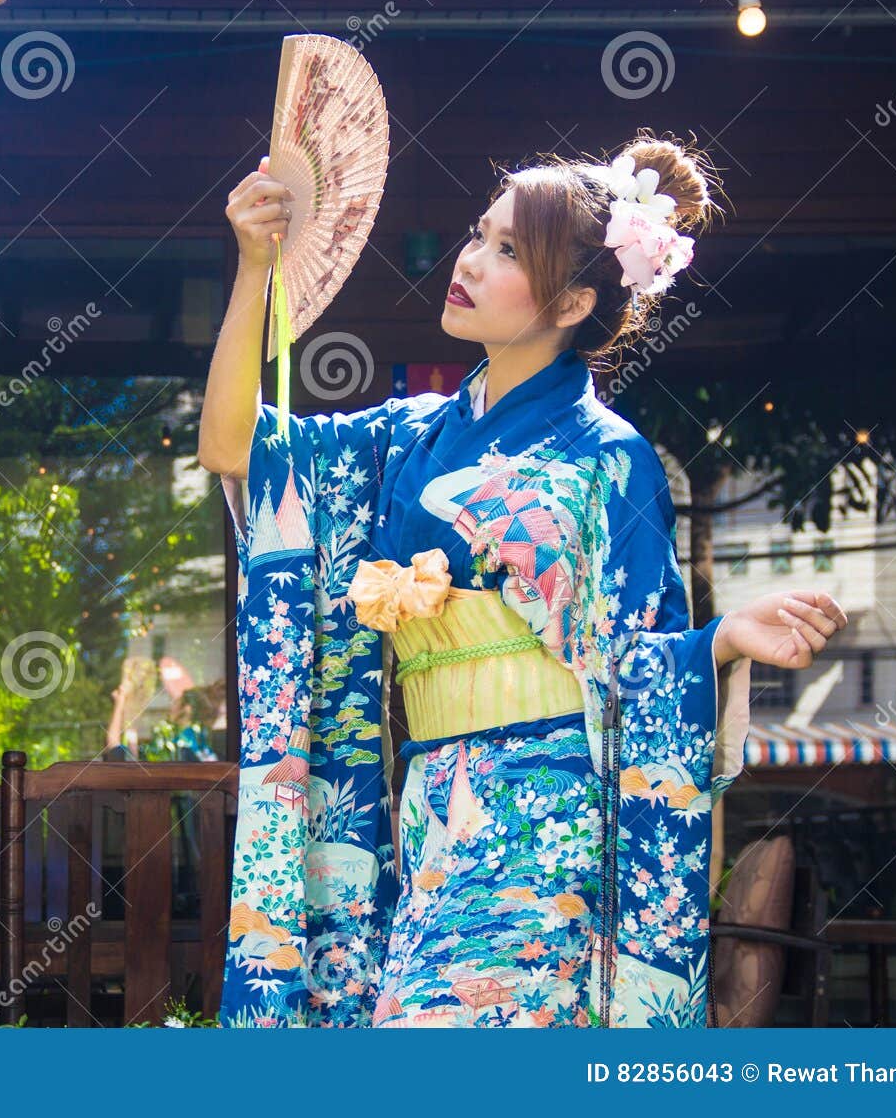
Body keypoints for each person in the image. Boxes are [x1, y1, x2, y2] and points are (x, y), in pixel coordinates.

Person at [197, 132, 848, 1028]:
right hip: (431, 807)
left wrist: (722, 640)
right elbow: (231, 447)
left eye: (508, 251)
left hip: (545, 820)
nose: (470, 259)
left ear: (574, 300)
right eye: (479, 233)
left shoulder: (608, 460)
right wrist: (253, 272)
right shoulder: (408, 437)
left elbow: (637, 661)